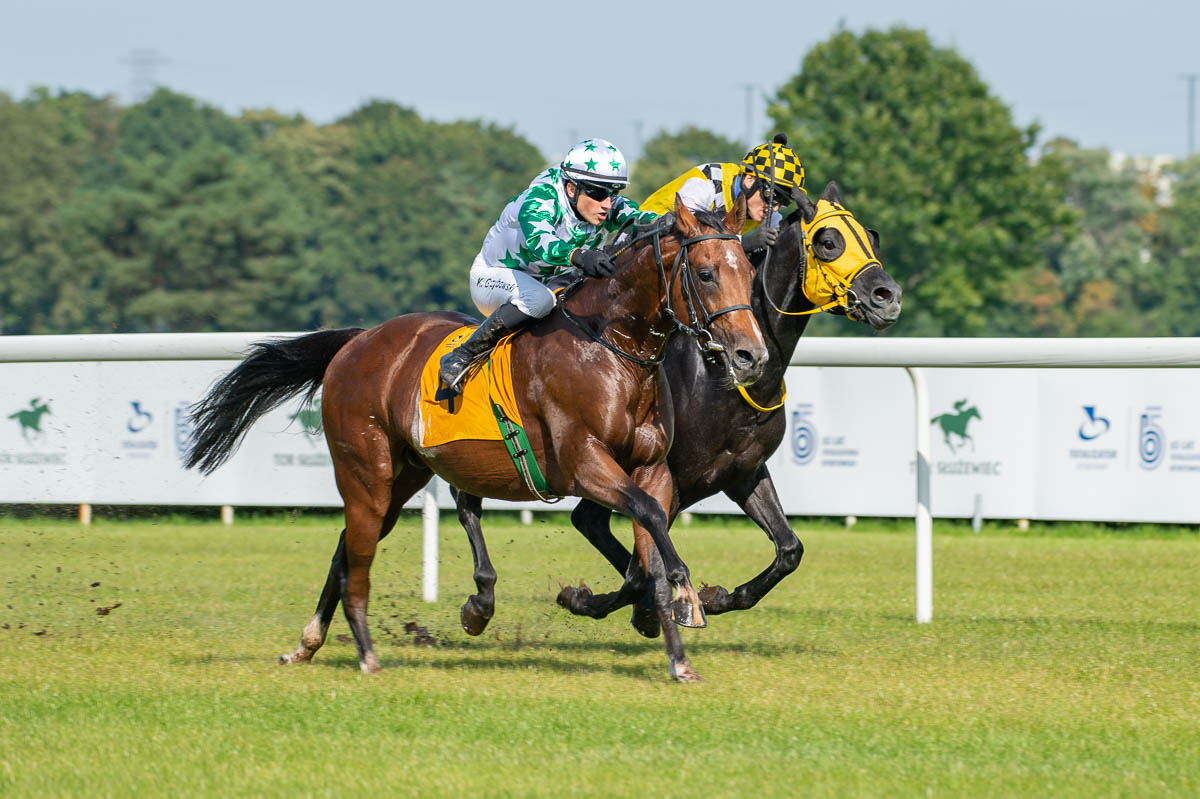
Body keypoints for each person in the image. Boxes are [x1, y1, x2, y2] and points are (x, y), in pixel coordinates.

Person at [439, 138, 658, 393]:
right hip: (495, 278)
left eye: (613, 193)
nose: (607, 203)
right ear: (570, 188)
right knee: (539, 300)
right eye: (599, 193)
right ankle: (463, 355)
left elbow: (638, 217)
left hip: (551, 281)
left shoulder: (596, 200)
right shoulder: (540, 199)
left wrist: (672, 224)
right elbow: (540, 244)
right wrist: (580, 256)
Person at [639, 133, 805, 254]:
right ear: (749, 181)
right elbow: (689, 237)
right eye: (772, 196)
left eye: (783, 201)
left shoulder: (766, 213)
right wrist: (745, 243)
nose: (775, 208)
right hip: (644, 241)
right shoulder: (705, 184)